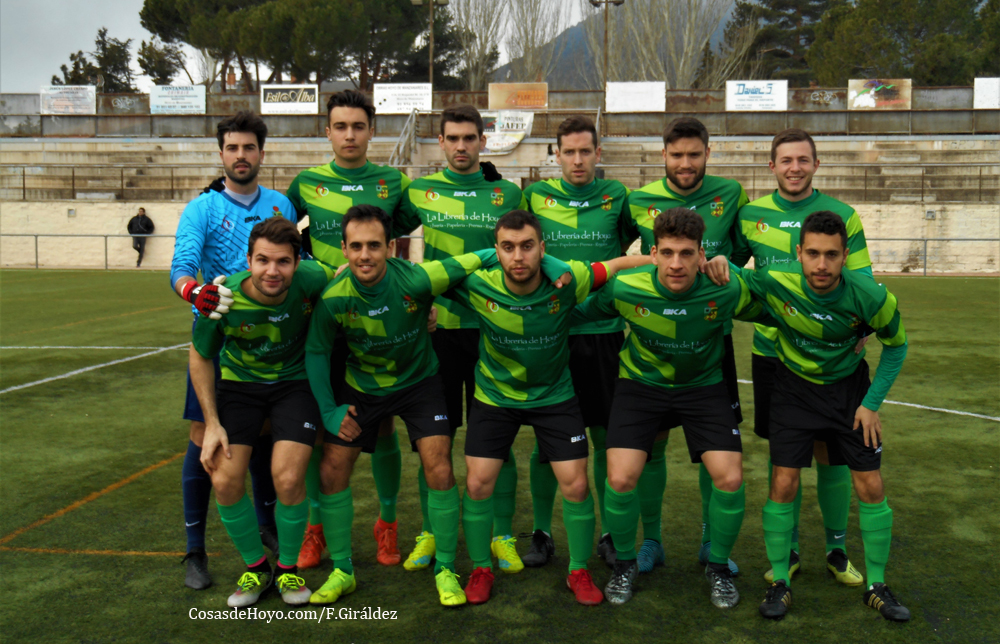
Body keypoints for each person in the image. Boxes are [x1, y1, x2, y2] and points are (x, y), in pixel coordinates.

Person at [303, 205, 569, 607]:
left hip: (419, 384)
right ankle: (343, 570)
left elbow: (483, 255)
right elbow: (317, 352)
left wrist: (549, 262)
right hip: (363, 386)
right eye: (356, 246)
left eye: (374, 245)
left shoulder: (419, 278)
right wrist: (328, 410)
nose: (365, 255)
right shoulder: (333, 296)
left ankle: (446, 568)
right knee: (331, 469)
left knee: (440, 466)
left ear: (390, 247)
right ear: (343, 249)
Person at [443, 210, 650, 606]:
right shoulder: (477, 283)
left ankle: (578, 570)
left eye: (527, 246)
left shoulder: (570, 278)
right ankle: (481, 568)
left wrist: (661, 260)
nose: (518, 256)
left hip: (554, 397)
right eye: (507, 248)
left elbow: (619, 265)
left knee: (576, 484)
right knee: (477, 484)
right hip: (496, 397)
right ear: (496, 252)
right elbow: (424, 279)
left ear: (542, 248)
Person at [572, 208, 769, 608]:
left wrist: (857, 329)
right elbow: (573, 313)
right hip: (640, 388)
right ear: (653, 253)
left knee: (730, 478)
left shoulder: (725, 288)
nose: (676, 264)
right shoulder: (626, 288)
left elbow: (780, 307)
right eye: (667, 253)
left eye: (686, 253)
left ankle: (717, 566)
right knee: (620, 478)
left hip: (703, 388)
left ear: (701, 254)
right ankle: (625, 562)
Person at [704, 128, 874, 587]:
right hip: (772, 355)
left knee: (833, 456)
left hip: (831, 358)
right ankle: (790, 548)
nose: (794, 168)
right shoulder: (750, 214)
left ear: (816, 164)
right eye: (786, 160)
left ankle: (836, 549)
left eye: (802, 160)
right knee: (785, 459)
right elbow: (732, 269)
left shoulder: (843, 216)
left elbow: (863, 280)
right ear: (772, 166)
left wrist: (861, 328)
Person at [731, 211, 909, 622]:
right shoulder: (777, 281)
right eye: (813, 253)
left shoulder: (872, 296)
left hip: (849, 394)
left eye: (831, 255)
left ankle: (877, 585)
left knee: (870, 484)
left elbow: (896, 346)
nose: (822, 264)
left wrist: (871, 404)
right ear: (799, 253)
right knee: (783, 480)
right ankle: (780, 580)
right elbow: (735, 281)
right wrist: (720, 262)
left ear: (846, 256)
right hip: (792, 391)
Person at [394, 105, 529, 574]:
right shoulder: (419, 191)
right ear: (440, 142)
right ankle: (432, 531)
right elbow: (380, 236)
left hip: (494, 330)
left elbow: (524, 250)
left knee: (497, 439)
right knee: (434, 440)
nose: (461, 146)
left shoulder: (507, 193)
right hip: (439, 333)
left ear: (483, 142)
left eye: (470, 138)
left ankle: (502, 535)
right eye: (452, 138)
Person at [286, 89, 412, 572]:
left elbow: (419, 230)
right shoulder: (306, 183)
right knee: (321, 430)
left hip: (379, 322)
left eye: (358, 126)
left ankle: (387, 523)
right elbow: (277, 231)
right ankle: (315, 528)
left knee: (383, 426)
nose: (350, 135)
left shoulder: (393, 183)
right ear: (327, 132)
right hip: (322, 322)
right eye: (340, 126)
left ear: (372, 131)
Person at [170, 110, 291, 589]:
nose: (241, 156)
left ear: (261, 152)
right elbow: (181, 266)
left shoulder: (280, 204)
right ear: (221, 153)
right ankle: (195, 550)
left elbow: (295, 261)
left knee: (263, 433)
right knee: (205, 437)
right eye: (233, 148)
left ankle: (266, 528)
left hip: (269, 344)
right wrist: (194, 291)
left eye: (249, 147)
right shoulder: (202, 208)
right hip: (218, 342)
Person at [623, 117, 749, 574]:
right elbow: (627, 258)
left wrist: (724, 261)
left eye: (694, 154)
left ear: (708, 153)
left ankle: (710, 541)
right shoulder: (638, 200)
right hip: (654, 335)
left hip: (710, 338)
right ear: (663, 155)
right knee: (651, 448)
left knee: (714, 452)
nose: (685, 163)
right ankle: (651, 540)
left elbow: (742, 255)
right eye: (676, 155)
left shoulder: (731, 194)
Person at [191, 217, 334, 607]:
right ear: (249, 260)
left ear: (298, 262)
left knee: (288, 478)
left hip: (295, 384)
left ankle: (287, 569)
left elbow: (348, 279)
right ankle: (256, 567)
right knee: (224, 479)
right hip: (240, 387)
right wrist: (212, 423)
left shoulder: (312, 277)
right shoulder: (223, 299)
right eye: (263, 260)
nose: (272, 271)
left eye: (283, 261)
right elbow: (200, 355)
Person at [522, 115, 635, 568]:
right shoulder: (536, 196)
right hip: (552, 336)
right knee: (546, 440)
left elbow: (637, 247)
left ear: (598, 153)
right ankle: (541, 532)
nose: (577, 159)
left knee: (606, 437)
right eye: (568, 151)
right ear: (556, 155)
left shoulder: (617, 196)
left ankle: (609, 533)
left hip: (604, 335)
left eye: (585, 151)